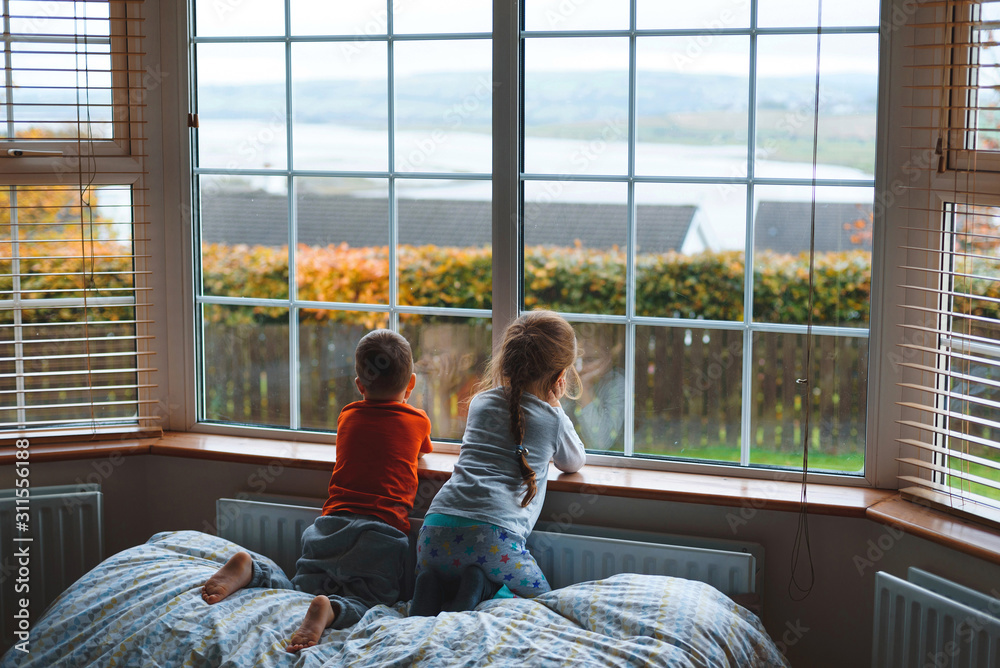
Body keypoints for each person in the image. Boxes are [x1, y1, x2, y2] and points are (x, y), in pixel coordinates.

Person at [200, 329, 433, 652]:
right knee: (373, 603)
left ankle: (253, 569)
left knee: (298, 591)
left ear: (359, 385)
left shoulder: (347, 415)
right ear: (411, 384)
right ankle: (331, 609)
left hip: (329, 526)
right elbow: (421, 451)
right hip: (380, 534)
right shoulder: (418, 420)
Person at [409, 310, 586, 616]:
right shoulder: (552, 419)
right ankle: (484, 589)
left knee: (444, 578)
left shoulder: (479, 403)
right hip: (492, 541)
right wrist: (555, 405)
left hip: (433, 533)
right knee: (542, 607)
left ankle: (431, 588)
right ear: (560, 378)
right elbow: (574, 461)